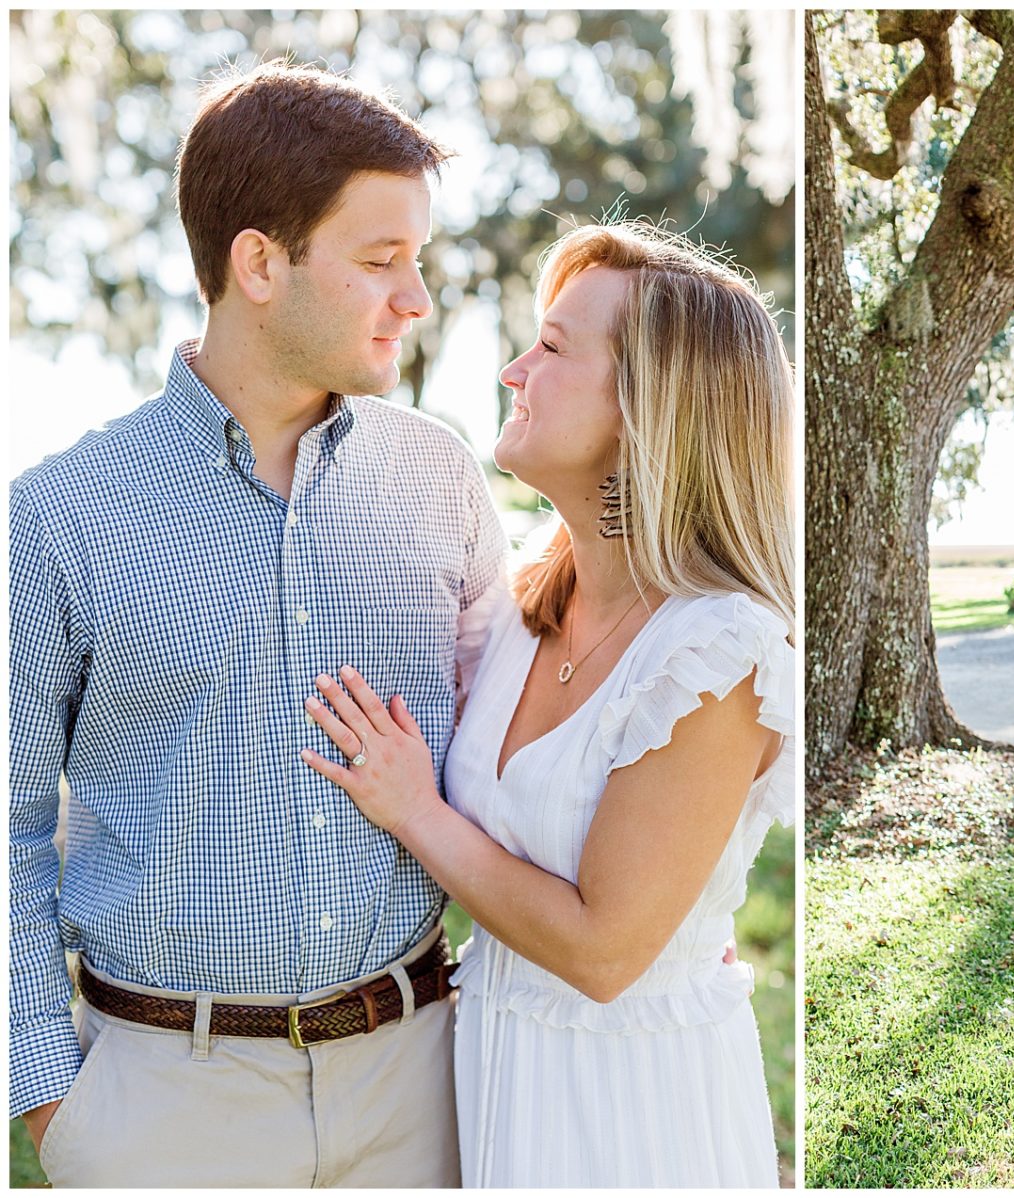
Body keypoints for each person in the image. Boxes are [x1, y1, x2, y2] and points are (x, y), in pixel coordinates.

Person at [9, 62, 505, 1186]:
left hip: (425, 1081)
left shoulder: (440, 479)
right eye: (380, 260)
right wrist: (57, 1108)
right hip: (165, 1113)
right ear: (260, 264)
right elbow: (7, 827)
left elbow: (512, 752)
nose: (417, 298)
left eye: (418, 260)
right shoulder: (59, 515)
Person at [302, 221, 795, 1187]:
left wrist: (414, 811)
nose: (513, 371)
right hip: (499, 1071)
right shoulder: (523, 602)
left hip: (633, 1108)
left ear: (648, 407)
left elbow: (604, 953)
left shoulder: (716, 653)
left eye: (555, 348)